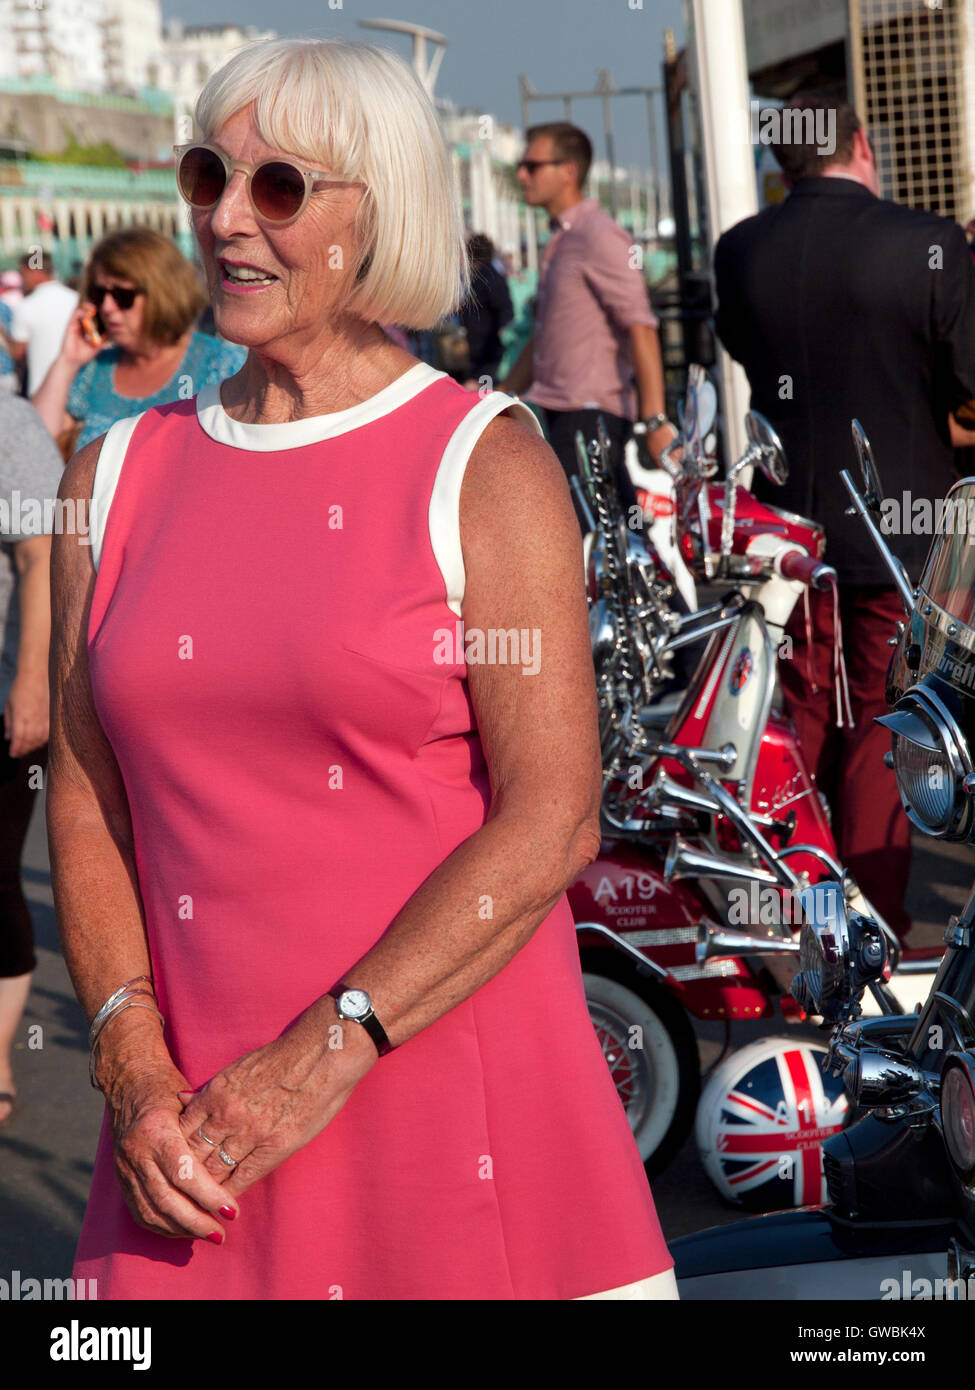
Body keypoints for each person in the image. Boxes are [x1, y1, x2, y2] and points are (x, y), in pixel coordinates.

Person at [48, 36, 676, 1301]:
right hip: (186, 1151)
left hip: (443, 1110)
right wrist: (126, 1056)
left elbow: (553, 816)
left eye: (279, 187)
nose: (227, 217)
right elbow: (82, 786)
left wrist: (325, 1053)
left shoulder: (481, 463)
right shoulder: (110, 479)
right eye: (208, 173)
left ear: (375, 211)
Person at [713, 91, 975, 944]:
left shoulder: (740, 251)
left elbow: (757, 360)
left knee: (793, 733)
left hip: (786, 537)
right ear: (860, 143)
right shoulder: (924, 244)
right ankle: (875, 927)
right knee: (887, 734)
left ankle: (799, 923)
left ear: (779, 161)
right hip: (902, 537)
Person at [500, 122, 675, 527]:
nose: (522, 174)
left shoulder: (598, 235)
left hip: (591, 416)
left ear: (568, 172)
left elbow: (641, 327)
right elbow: (545, 332)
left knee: (592, 545)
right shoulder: (563, 239)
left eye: (531, 165)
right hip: (562, 412)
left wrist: (655, 420)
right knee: (606, 544)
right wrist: (503, 393)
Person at [32, 227, 246, 454]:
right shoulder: (94, 369)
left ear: (163, 294)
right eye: (98, 294)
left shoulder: (221, 365)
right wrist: (67, 360)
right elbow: (35, 444)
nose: (107, 307)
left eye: (122, 296)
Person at [0, 393, 65, 1124]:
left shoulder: (7, 422)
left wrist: (28, 684)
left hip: (4, 688)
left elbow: (38, 552)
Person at [0, 253, 78, 396]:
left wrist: (3, 334)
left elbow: (18, 353)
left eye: (23, 272)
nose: (22, 279)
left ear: (34, 271)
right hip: (76, 385)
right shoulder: (76, 299)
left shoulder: (27, 306)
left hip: (42, 390)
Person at [459, 232, 513, 387]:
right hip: (485, 341)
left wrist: (503, 327)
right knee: (483, 381)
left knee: (482, 382)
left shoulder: (484, 277)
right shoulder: (491, 275)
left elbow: (503, 307)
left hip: (487, 342)